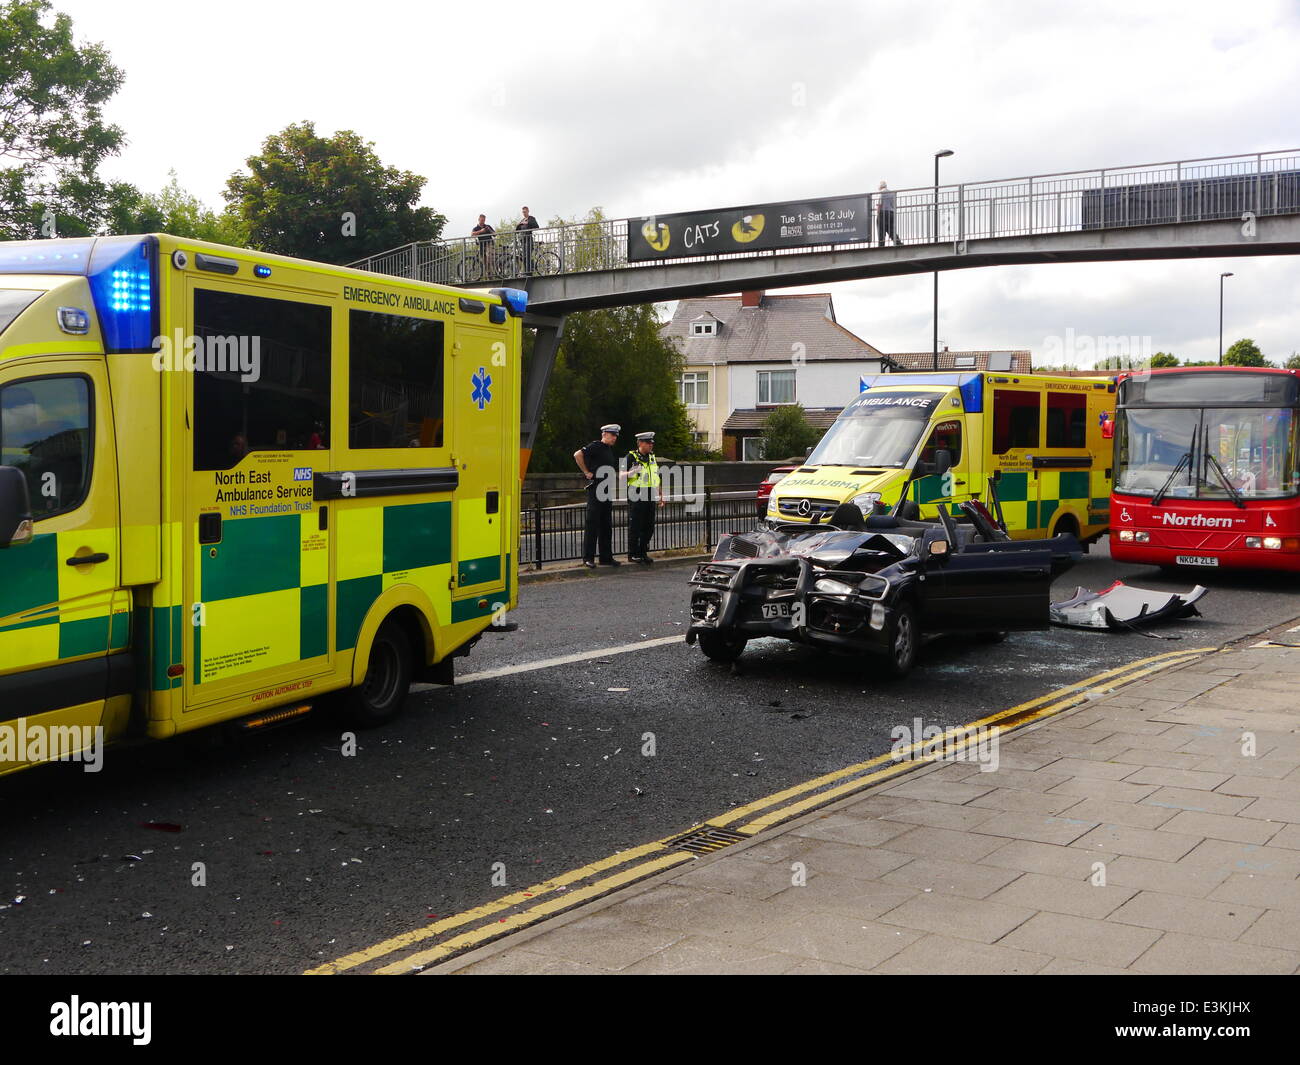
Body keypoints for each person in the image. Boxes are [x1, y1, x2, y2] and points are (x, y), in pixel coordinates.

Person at [574, 423, 621, 567]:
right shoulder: (596, 446)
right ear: (604, 434)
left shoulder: (608, 450)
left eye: (616, 436)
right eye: (612, 435)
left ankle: (605, 557)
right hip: (596, 489)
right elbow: (577, 454)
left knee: (606, 525)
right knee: (592, 525)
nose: (614, 438)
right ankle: (588, 558)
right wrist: (586, 472)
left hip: (606, 490)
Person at [626, 431, 665, 564]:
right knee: (635, 526)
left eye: (652, 443)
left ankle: (643, 552)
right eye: (648, 443)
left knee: (649, 526)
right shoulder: (631, 456)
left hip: (649, 494)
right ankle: (633, 554)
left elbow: (656, 477)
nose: (651, 445)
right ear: (640, 443)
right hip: (636, 493)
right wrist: (633, 471)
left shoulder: (652, 457)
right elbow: (620, 476)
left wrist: (660, 494)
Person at [516, 206, 539, 273]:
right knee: (524, 257)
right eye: (523, 212)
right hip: (523, 241)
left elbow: (536, 226)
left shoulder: (531, 218)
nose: (524, 213)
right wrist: (519, 224)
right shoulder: (522, 220)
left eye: (525, 212)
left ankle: (529, 272)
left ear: (528, 211)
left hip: (529, 239)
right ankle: (526, 271)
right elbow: (517, 230)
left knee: (527, 256)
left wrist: (527, 223)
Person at [875, 181, 899, 246]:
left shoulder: (881, 193)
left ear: (880, 186)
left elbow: (879, 204)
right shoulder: (892, 193)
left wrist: (878, 213)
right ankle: (898, 242)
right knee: (891, 229)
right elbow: (894, 205)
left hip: (883, 213)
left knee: (881, 231)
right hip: (891, 213)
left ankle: (881, 245)